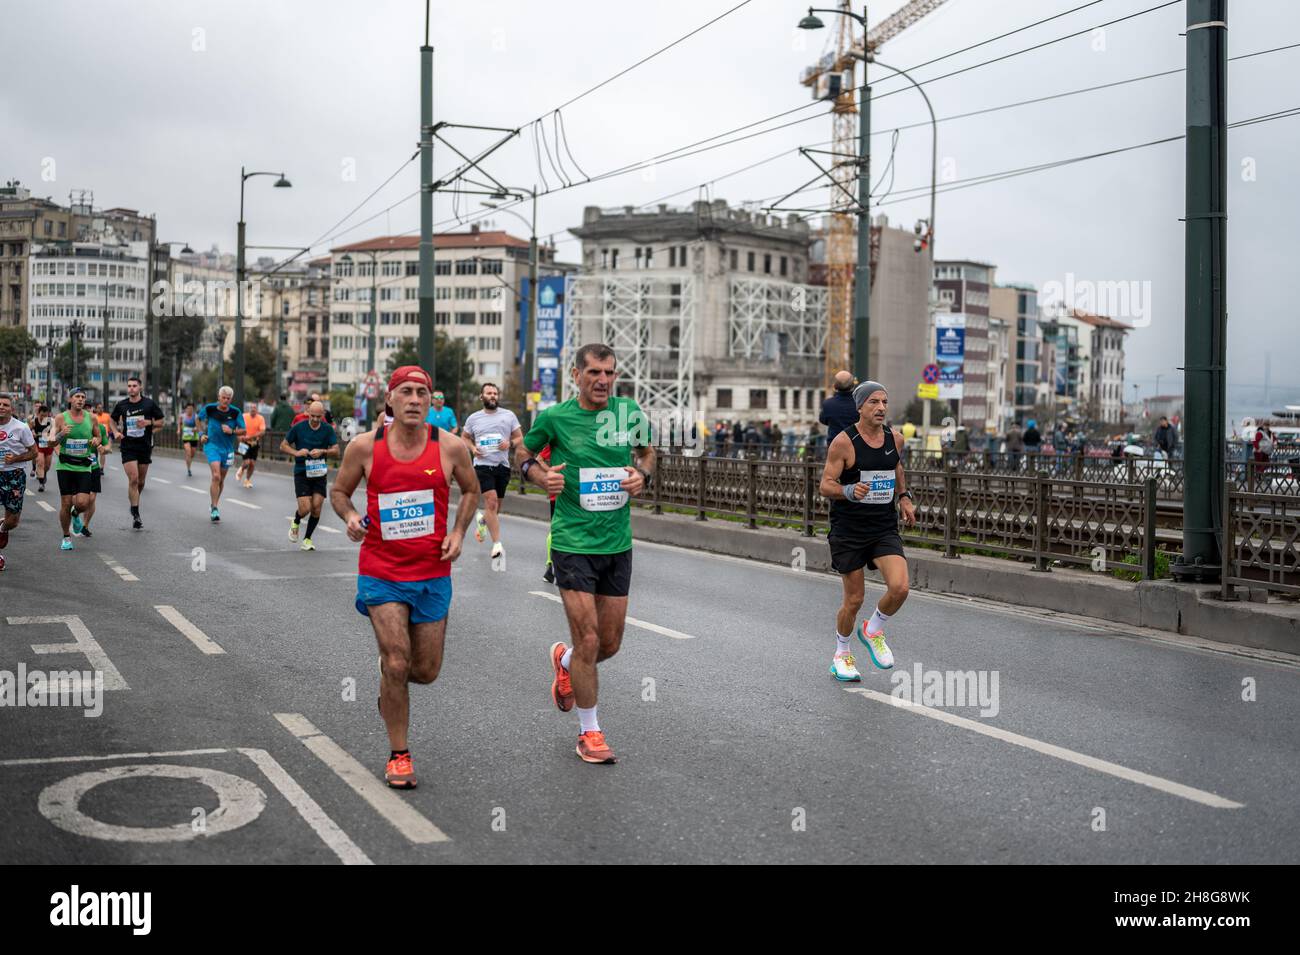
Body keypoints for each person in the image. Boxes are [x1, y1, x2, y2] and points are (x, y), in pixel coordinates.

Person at [330, 365, 478, 789]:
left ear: (431, 401)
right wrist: (352, 516)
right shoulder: (363, 447)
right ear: (390, 400)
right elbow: (339, 492)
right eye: (406, 392)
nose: (415, 400)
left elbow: (470, 489)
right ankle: (399, 754)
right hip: (382, 571)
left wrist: (459, 531)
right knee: (398, 660)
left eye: (422, 393)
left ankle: (390, 684)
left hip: (433, 572)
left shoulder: (450, 447)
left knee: (425, 670)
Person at [517, 343, 655, 765]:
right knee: (590, 637)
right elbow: (521, 453)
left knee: (608, 645)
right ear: (576, 375)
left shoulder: (628, 412)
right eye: (594, 372)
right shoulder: (555, 418)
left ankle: (566, 660)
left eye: (610, 373)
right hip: (572, 542)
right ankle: (589, 732)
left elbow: (648, 451)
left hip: (617, 543)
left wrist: (642, 474)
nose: (603, 380)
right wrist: (539, 475)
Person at [818, 381, 916, 681]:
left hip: (882, 527)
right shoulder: (843, 443)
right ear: (859, 406)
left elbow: (896, 467)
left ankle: (872, 630)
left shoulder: (894, 439)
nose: (881, 408)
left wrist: (903, 497)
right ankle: (842, 654)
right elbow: (825, 485)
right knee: (854, 600)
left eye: (885, 402)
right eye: (874, 402)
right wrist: (848, 490)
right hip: (849, 530)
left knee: (900, 588)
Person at [461, 383, 522, 569]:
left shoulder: (508, 415)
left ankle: (482, 520)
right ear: (482, 397)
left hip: (502, 466)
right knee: (492, 502)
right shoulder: (474, 418)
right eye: (489, 393)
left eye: (495, 393)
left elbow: (520, 437)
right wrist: (472, 449)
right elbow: (464, 437)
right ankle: (497, 545)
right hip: (482, 465)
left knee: (495, 509)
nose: (493, 396)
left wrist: (510, 443)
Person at [47, 388, 102, 551]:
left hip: (84, 465)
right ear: (70, 399)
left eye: (83, 397)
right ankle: (66, 537)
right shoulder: (60, 418)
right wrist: (61, 434)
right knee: (65, 502)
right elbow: (51, 442)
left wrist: (95, 440)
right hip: (65, 465)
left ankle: (75, 513)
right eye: (77, 397)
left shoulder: (91, 418)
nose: (80, 399)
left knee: (83, 503)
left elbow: (98, 436)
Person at [282, 400, 339, 552]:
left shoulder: (327, 430)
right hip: (302, 471)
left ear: (323, 415)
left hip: (319, 472)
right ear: (307, 413)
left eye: (318, 417)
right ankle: (296, 521)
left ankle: (307, 539)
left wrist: (323, 451)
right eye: (312, 416)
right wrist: (296, 452)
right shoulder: (299, 427)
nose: (315, 419)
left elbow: (336, 450)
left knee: (317, 507)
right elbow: (283, 445)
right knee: (305, 508)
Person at [109, 375, 164, 529]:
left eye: (134, 386)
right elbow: (112, 420)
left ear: (140, 388)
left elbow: (161, 421)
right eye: (129, 386)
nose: (131, 388)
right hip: (128, 446)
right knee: (133, 479)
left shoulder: (149, 404)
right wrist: (116, 432)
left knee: (140, 482)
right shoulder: (122, 405)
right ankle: (136, 513)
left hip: (145, 446)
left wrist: (148, 422)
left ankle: (134, 502)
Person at [0, 393, 37, 572]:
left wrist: (15, 459)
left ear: (11, 409)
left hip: (14, 474)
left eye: (5, 405)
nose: (1, 407)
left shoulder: (21, 428)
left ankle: (2, 528)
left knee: (13, 520)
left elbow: (34, 452)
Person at [198, 386, 246, 523]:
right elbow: (198, 419)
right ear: (218, 397)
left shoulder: (236, 412)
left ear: (231, 399)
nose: (225, 400)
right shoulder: (210, 408)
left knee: (221, 480)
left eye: (228, 398)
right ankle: (214, 508)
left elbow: (243, 431)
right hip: (212, 446)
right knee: (216, 476)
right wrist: (202, 434)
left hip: (228, 450)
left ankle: (214, 504)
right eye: (223, 398)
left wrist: (232, 431)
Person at [818, 370, 859, 445]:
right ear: (853, 385)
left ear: (835, 386)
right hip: (855, 445)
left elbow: (823, 419)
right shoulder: (860, 403)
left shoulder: (828, 404)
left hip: (834, 445)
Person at [235, 403, 267, 488]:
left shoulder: (260, 418)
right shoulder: (244, 416)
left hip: (254, 443)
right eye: (251, 408)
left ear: (257, 410)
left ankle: (247, 480)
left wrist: (250, 437)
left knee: (252, 463)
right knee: (246, 462)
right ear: (249, 409)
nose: (253, 409)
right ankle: (241, 469)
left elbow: (262, 432)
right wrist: (240, 438)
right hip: (243, 443)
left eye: (255, 408)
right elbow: (237, 429)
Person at [31, 404, 53, 491]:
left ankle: (44, 474)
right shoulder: (34, 421)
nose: (43, 417)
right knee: (40, 463)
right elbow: (29, 429)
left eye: (45, 416)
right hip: (38, 445)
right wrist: (32, 432)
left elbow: (55, 432)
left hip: (48, 446)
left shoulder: (51, 422)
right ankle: (41, 484)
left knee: (47, 466)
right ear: (38, 413)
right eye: (42, 415)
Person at [178, 403, 200, 477]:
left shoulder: (195, 416)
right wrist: (178, 429)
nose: (189, 410)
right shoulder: (183, 416)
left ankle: (188, 460)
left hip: (194, 437)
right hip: (186, 437)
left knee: (192, 454)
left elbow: (198, 427)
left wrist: (195, 429)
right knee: (188, 452)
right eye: (188, 408)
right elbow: (179, 423)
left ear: (193, 409)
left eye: (191, 409)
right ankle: (188, 469)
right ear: (186, 409)